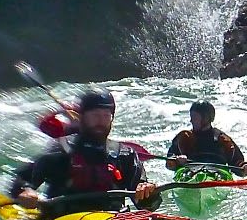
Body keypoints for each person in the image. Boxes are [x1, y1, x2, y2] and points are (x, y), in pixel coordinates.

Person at [10, 88, 158, 213]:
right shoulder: (61, 149)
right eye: (95, 115)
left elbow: (147, 206)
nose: (101, 121)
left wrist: (147, 192)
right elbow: (22, 179)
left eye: (106, 116)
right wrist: (26, 191)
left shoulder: (125, 154)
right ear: (81, 117)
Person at [165, 101, 247, 175]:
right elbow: (170, 161)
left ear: (206, 119)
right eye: (191, 117)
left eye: (194, 118)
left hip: (217, 175)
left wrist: (244, 167)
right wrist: (177, 160)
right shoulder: (184, 137)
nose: (191, 121)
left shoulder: (222, 139)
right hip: (189, 173)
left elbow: (237, 162)